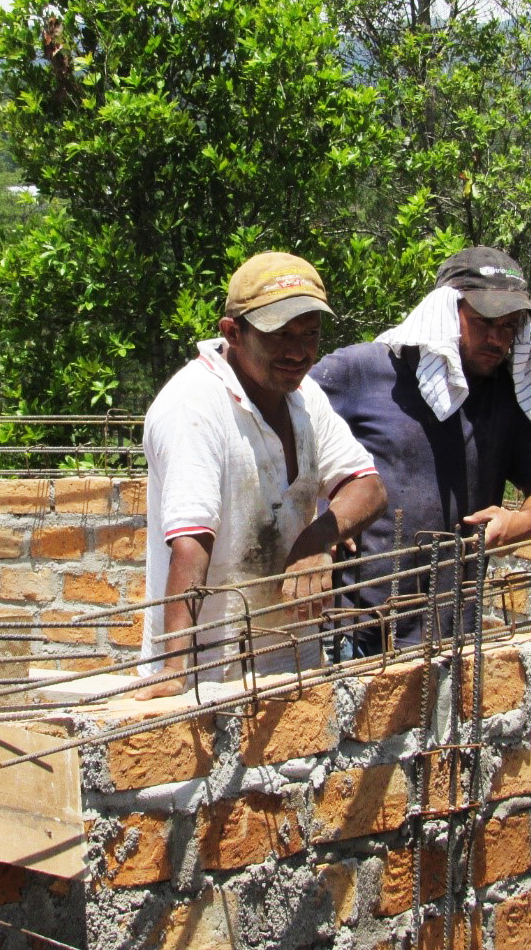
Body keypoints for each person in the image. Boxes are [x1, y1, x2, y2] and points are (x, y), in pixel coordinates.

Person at [135, 252, 387, 699]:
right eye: (280, 335)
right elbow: (192, 541)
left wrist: (314, 541)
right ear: (232, 331)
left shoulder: (304, 397)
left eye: (310, 333)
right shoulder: (193, 406)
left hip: (295, 665)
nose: (298, 352)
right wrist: (176, 667)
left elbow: (368, 487)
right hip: (211, 679)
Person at [310, 246, 531, 655]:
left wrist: (517, 522)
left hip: (450, 630)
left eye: (510, 326)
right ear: (446, 313)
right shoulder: (361, 371)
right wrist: (320, 519)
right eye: (483, 323)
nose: (498, 339)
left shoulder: (507, 395)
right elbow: (282, 439)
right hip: (353, 628)